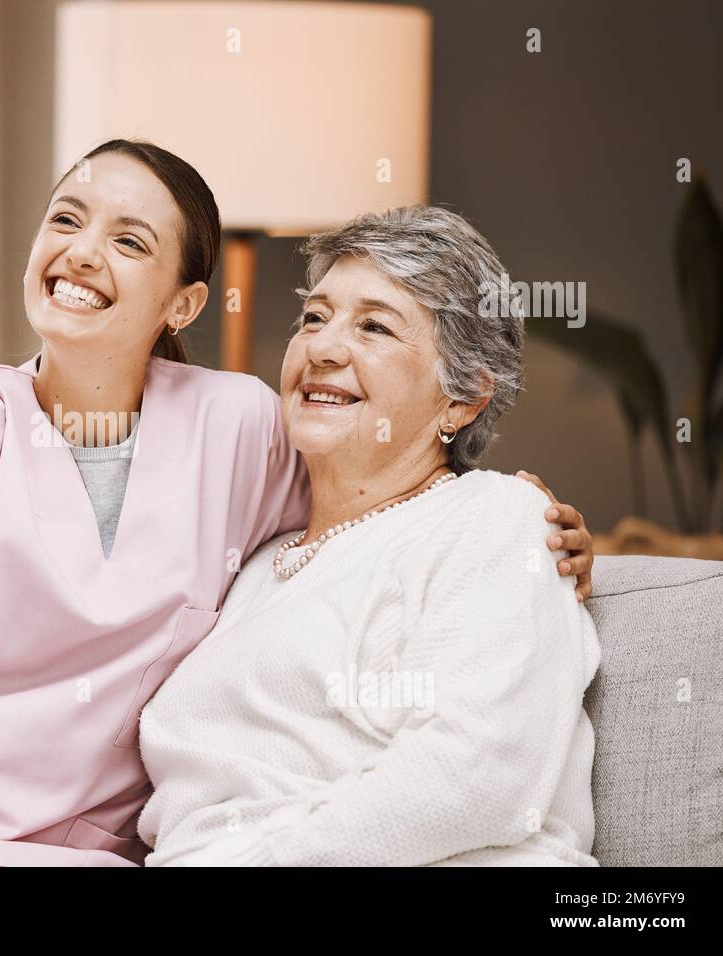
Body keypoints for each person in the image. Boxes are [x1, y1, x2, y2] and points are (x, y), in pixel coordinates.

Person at [0, 62, 593, 866]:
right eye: (67, 217)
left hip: (43, 848)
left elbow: (399, 499)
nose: (82, 251)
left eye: (129, 239)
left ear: (185, 303)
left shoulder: (246, 432)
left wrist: (526, 515)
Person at [138, 207, 600, 866]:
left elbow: (471, 778)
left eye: (374, 327)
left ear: (463, 398)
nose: (323, 347)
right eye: (315, 318)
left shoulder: (497, 520)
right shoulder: (258, 556)